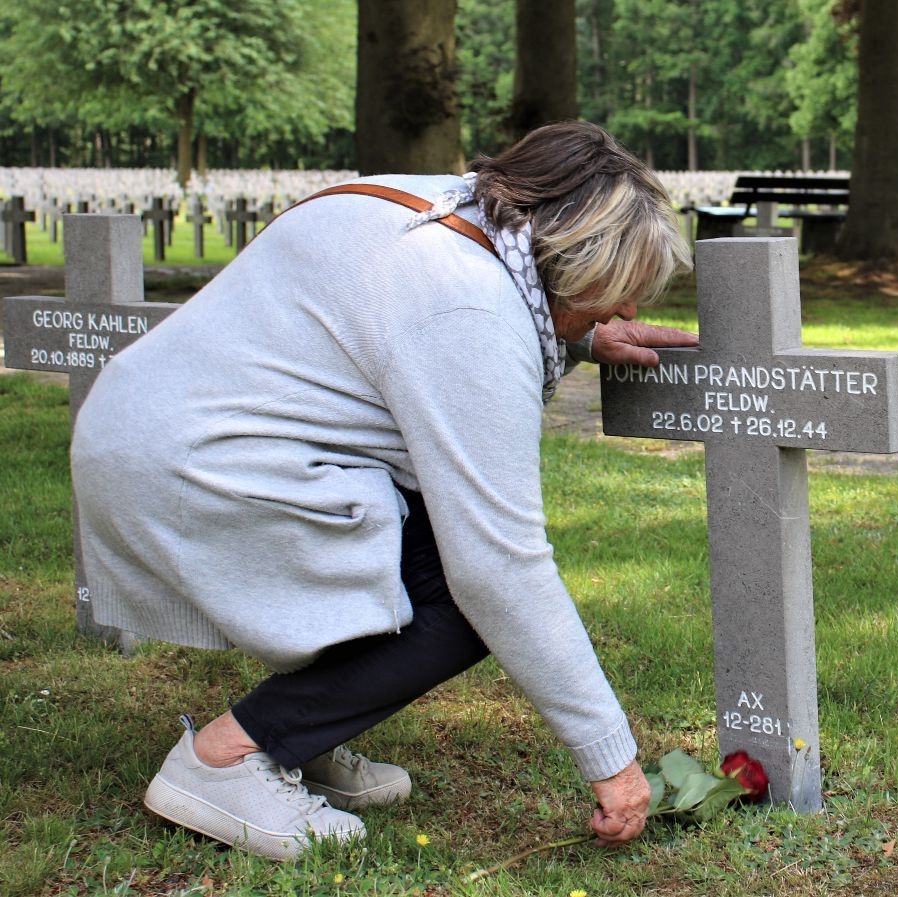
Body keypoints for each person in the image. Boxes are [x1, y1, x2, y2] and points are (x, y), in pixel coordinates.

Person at [70, 121, 697, 860]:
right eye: (615, 291)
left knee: (425, 546)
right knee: (463, 597)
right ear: (569, 257)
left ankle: (298, 738)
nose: (626, 312)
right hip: (201, 471)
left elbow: (393, 314)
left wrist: (581, 333)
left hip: (140, 430)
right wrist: (613, 760)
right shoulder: (469, 306)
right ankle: (224, 759)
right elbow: (501, 565)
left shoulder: (440, 206)